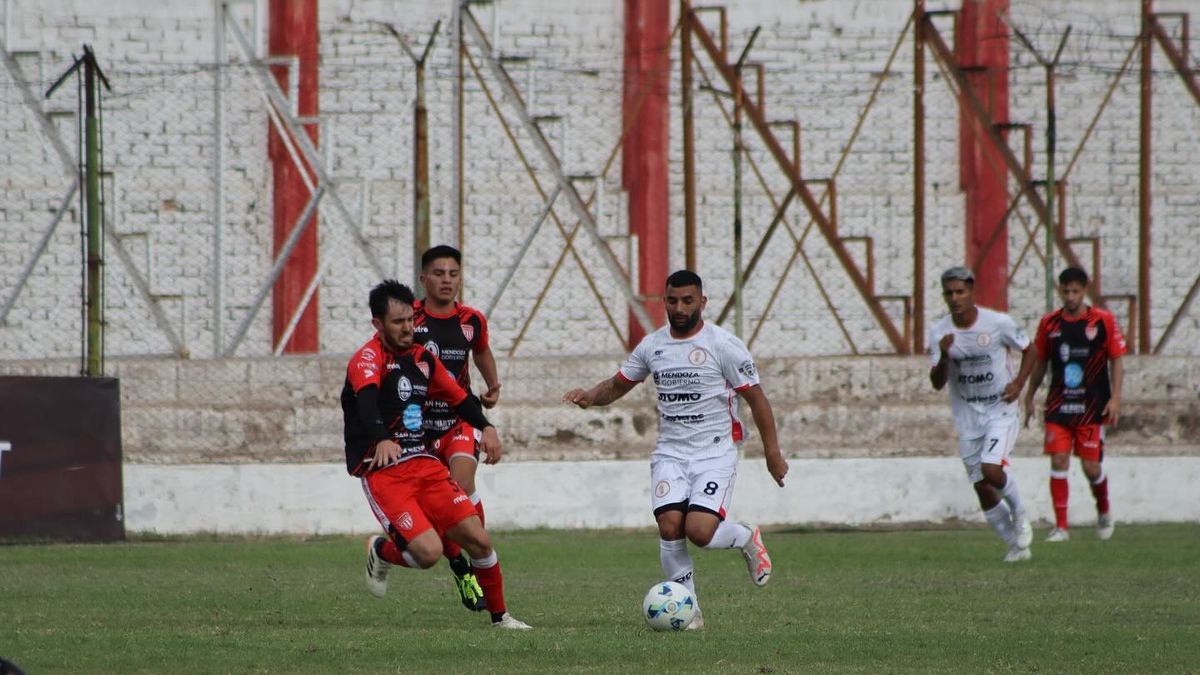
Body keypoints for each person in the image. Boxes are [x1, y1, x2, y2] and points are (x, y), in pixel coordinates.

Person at [562, 270, 789, 631]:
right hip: (670, 452)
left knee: (699, 531)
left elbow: (757, 399)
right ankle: (690, 612)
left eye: (687, 300)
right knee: (670, 526)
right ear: (664, 302)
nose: (679, 308)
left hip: (715, 453)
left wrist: (772, 454)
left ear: (702, 302)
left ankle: (746, 537)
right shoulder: (653, 346)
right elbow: (618, 385)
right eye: (672, 300)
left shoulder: (723, 345)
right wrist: (590, 396)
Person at [340, 279, 531, 630]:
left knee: (479, 539)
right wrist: (381, 438)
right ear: (378, 324)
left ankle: (501, 618)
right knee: (428, 554)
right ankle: (381, 551)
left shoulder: (422, 358)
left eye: (410, 320)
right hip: (383, 471)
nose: (407, 328)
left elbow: (459, 397)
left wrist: (486, 426)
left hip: (424, 464)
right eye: (398, 322)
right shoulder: (367, 359)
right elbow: (366, 403)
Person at [413, 245, 502, 612]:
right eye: (439, 274)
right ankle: (460, 566)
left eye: (453, 274)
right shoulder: (410, 320)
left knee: (461, 484)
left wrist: (493, 385)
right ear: (424, 279)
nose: (446, 280)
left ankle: (480, 553)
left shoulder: (471, 320)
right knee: (437, 504)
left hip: (459, 419)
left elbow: (480, 351)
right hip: (419, 427)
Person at [928, 266, 1035, 562]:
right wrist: (945, 356)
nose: (955, 298)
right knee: (982, 486)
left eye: (960, 292)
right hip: (968, 417)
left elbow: (1031, 349)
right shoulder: (939, 332)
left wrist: (1019, 383)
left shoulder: (997, 323)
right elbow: (937, 383)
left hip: (1000, 409)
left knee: (992, 470)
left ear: (971, 291)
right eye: (949, 293)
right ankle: (1015, 546)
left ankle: (1019, 511)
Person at [1019, 267, 1125, 542]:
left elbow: (1116, 359)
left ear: (1084, 291)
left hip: (1092, 406)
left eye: (1075, 291)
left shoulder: (1102, 320)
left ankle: (1104, 510)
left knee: (1091, 468)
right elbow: (1040, 362)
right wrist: (1029, 396)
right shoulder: (1049, 323)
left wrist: (1115, 398)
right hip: (1059, 404)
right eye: (1065, 291)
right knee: (1059, 460)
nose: (1070, 297)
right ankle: (1061, 527)